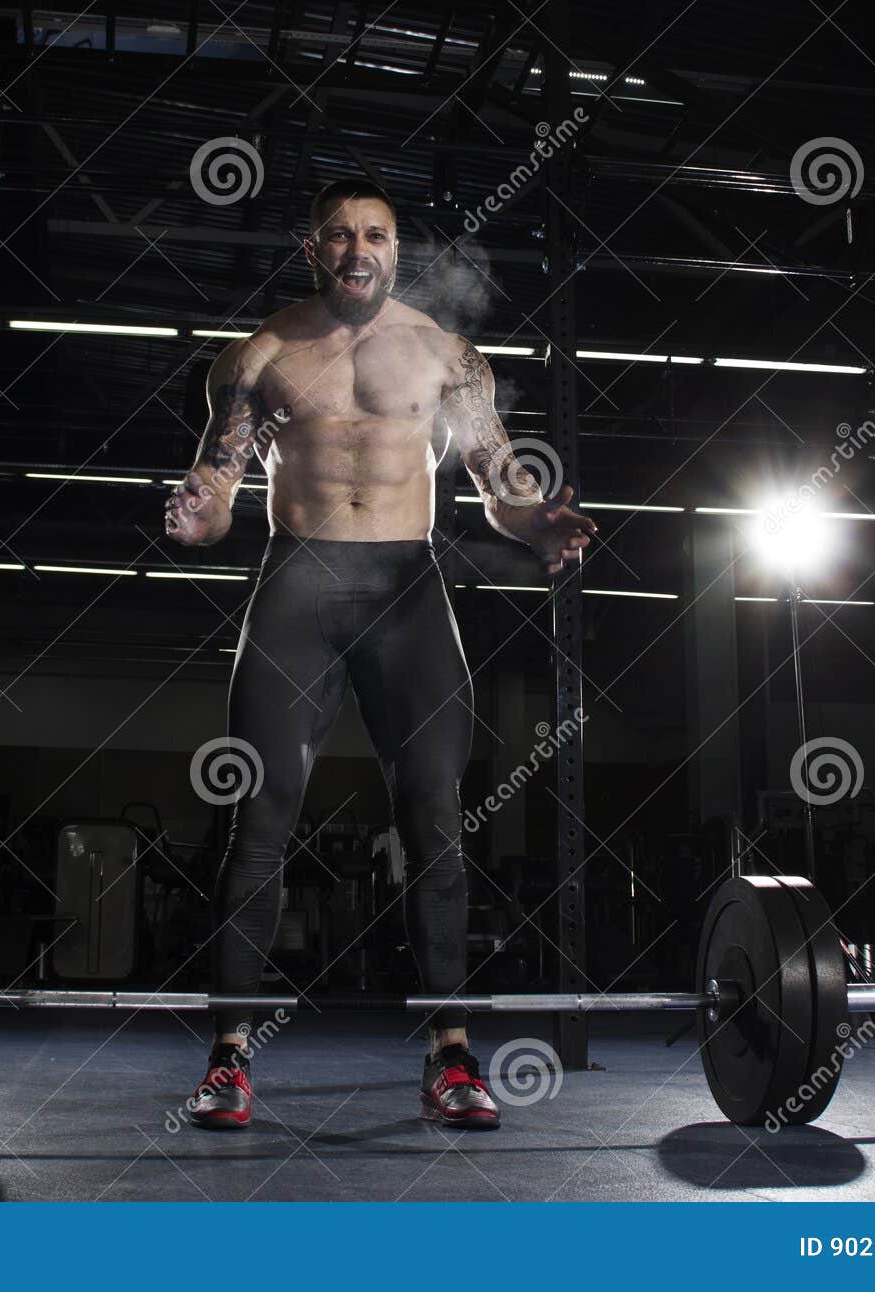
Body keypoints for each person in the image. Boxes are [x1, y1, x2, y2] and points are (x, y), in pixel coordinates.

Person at [164, 178, 597, 1130]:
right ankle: (230, 1059)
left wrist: (537, 522)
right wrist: (198, 514)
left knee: (437, 821)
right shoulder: (261, 352)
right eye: (337, 235)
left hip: (409, 592)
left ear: (396, 249)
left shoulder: (448, 357)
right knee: (263, 815)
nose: (356, 249)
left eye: (375, 234)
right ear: (310, 248)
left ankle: (452, 1057)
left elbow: (496, 480)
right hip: (299, 587)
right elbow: (221, 475)